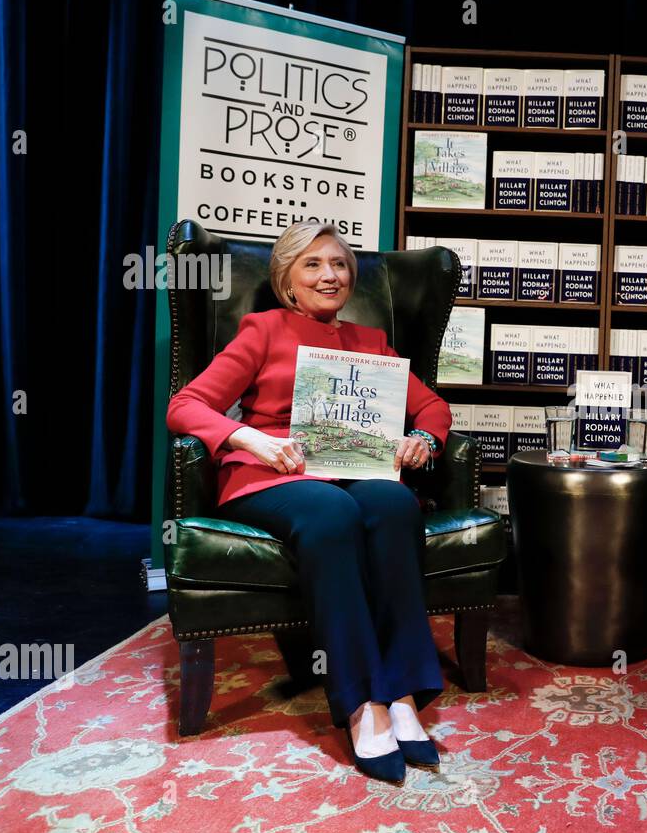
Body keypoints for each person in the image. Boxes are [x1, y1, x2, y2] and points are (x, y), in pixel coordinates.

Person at [166, 221, 451, 784]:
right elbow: (186, 405)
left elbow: (433, 407)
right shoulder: (263, 330)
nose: (331, 275)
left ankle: (402, 694)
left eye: (341, 264)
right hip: (275, 474)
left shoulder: (373, 344)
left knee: (395, 506)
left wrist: (423, 439)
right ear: (287, 281)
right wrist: (249, 438)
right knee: (332, 513)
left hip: (352, 467)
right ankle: (361, 701)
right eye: (314, 265)